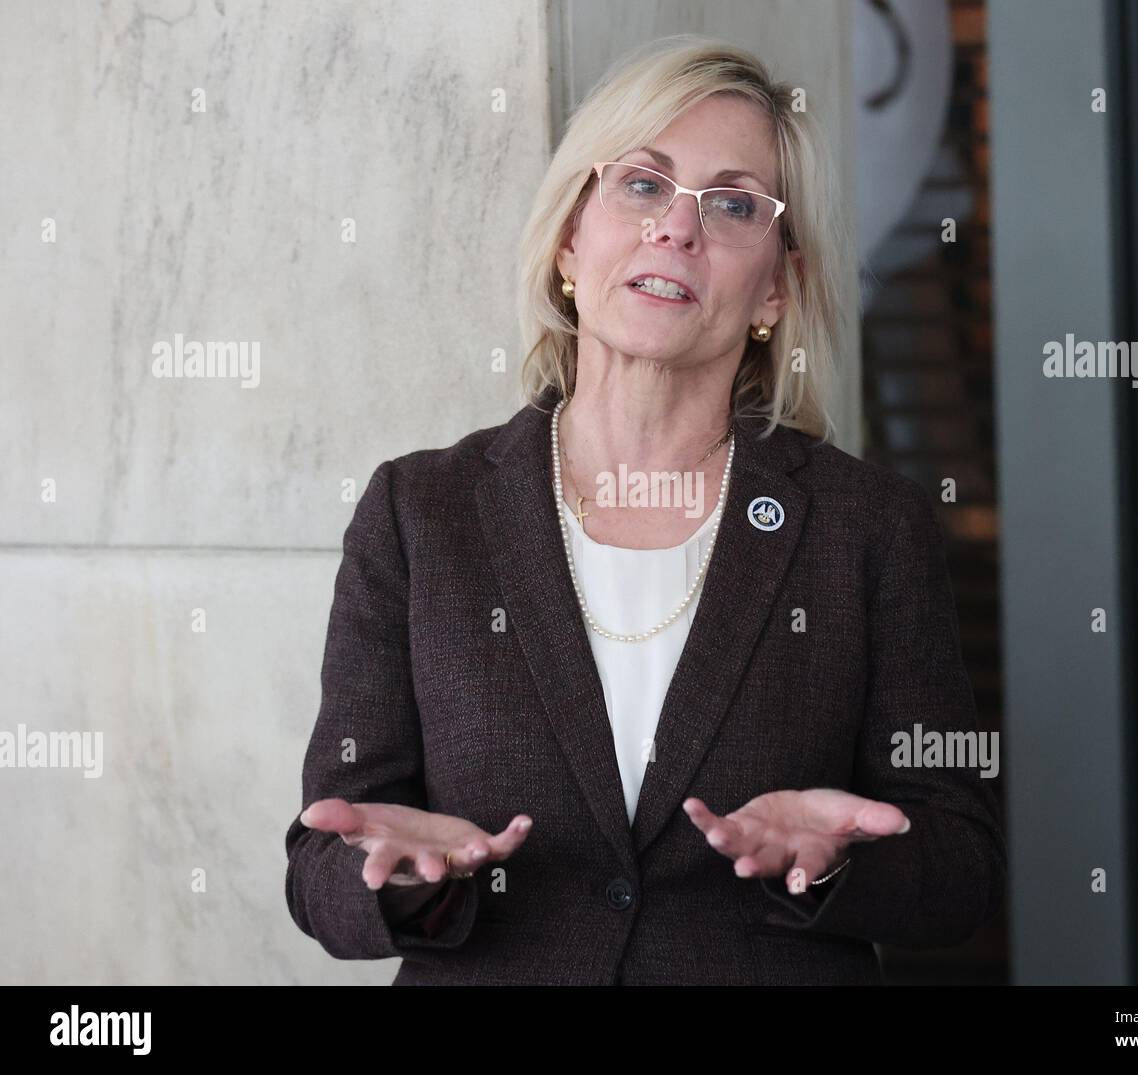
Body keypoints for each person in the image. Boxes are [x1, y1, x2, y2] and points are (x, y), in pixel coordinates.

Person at [284, 34, 1005, 986]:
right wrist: (402, 880)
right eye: (642, 184)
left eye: (734, 203)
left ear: (778, 288)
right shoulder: (419, 514)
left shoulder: (866, 527)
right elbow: (322, 859)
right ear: (571, 237)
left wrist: (841, 862)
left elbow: (961, 867)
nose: (677, 228)